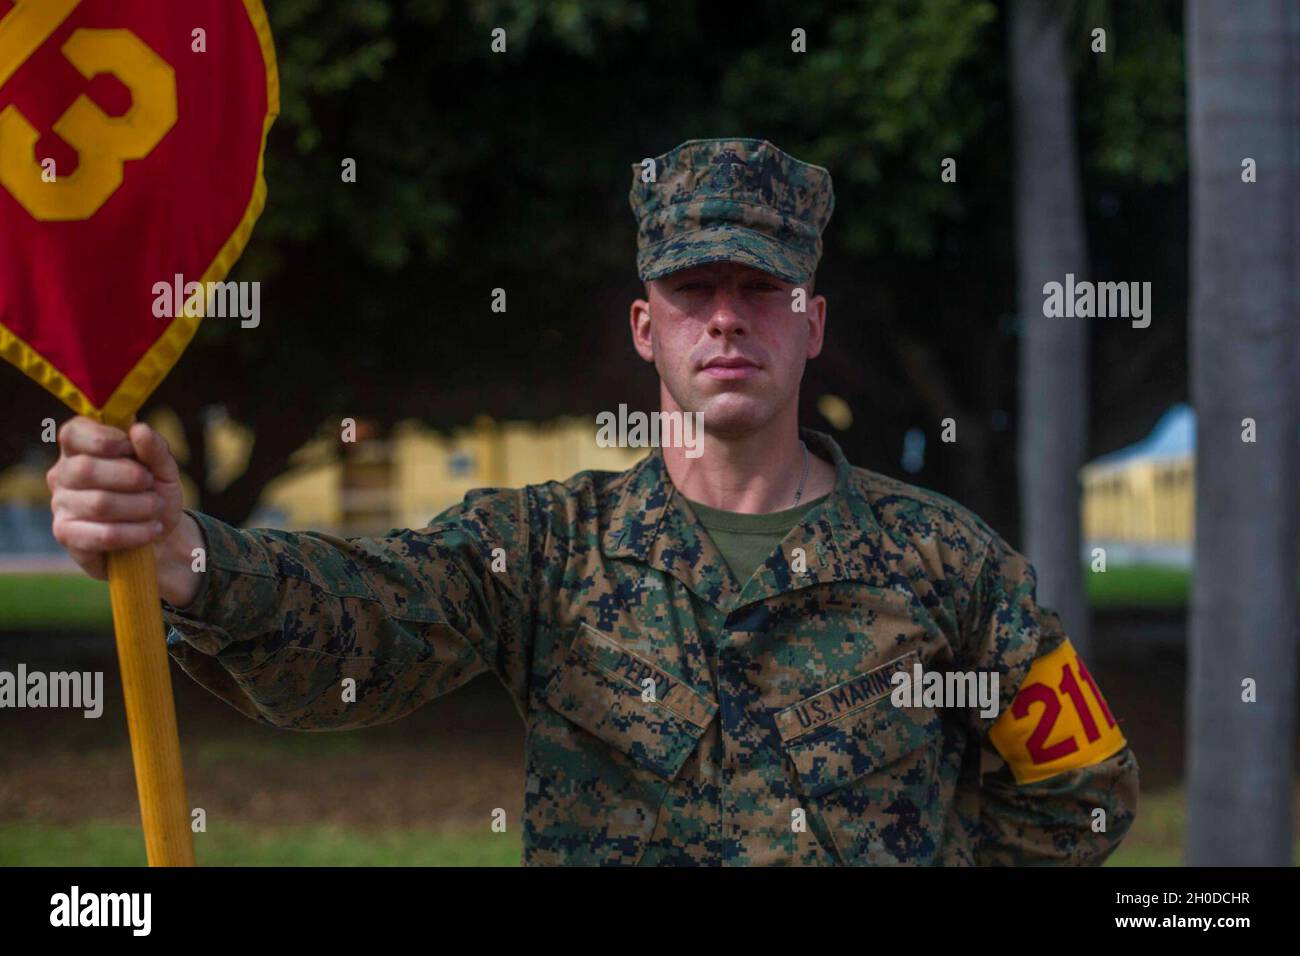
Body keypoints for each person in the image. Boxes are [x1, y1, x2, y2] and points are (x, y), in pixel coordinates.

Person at [47, 137, 1138, 866]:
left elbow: (1082, 788)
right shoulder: (548, 547)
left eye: (759, 288)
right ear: (643, 328)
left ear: (810, 322)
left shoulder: (947, 560)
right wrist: (186, 553)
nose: (724, 319)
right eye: (691, 290)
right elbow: (370, 622)